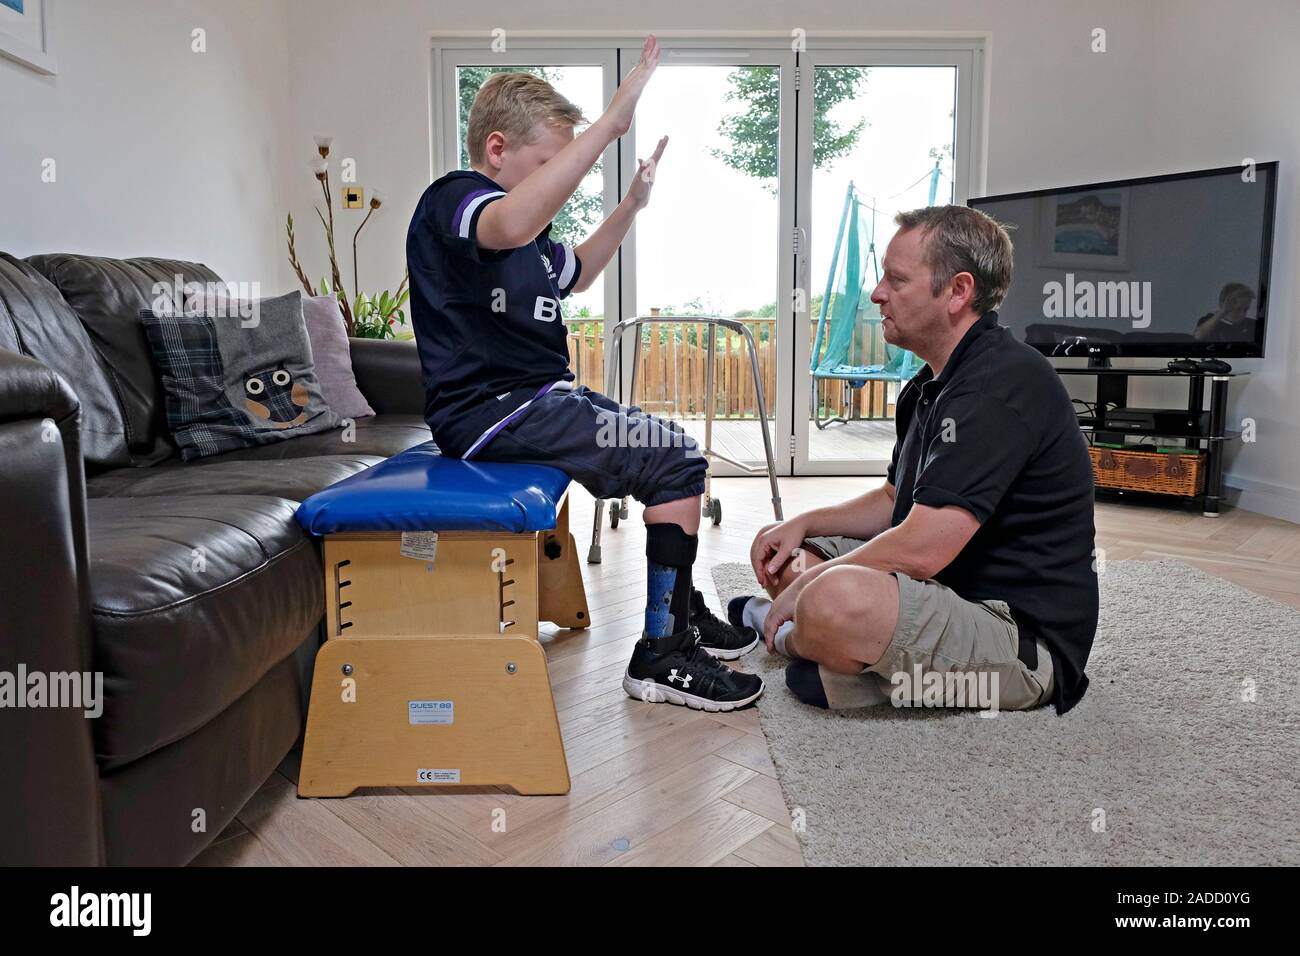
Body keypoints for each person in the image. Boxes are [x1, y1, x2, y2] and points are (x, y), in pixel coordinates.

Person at [406, 37, 763, 713]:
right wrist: (610, 126)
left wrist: (631, 206)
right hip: (491, 412)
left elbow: (575, 271)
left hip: (539, 398)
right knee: (677, 458)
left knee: (670, 445)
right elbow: (506, 224)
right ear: (498, 150)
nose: (561, 182)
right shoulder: (456, 200)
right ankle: (661, 653)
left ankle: (677, 612)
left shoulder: (528, 233)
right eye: (551, 163)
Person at [731, 205, 1099, 714]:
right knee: (788, 556)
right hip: (946, 587)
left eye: (896, 280)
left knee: (833, 599)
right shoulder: (926, 387)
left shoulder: (999, 386)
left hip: (1020, 640)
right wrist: (802, 522)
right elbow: (893, 500)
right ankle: (840, 656)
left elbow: (923, 549)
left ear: (958, 291)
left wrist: (812, 589)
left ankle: (795, 640)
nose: (877, 293)